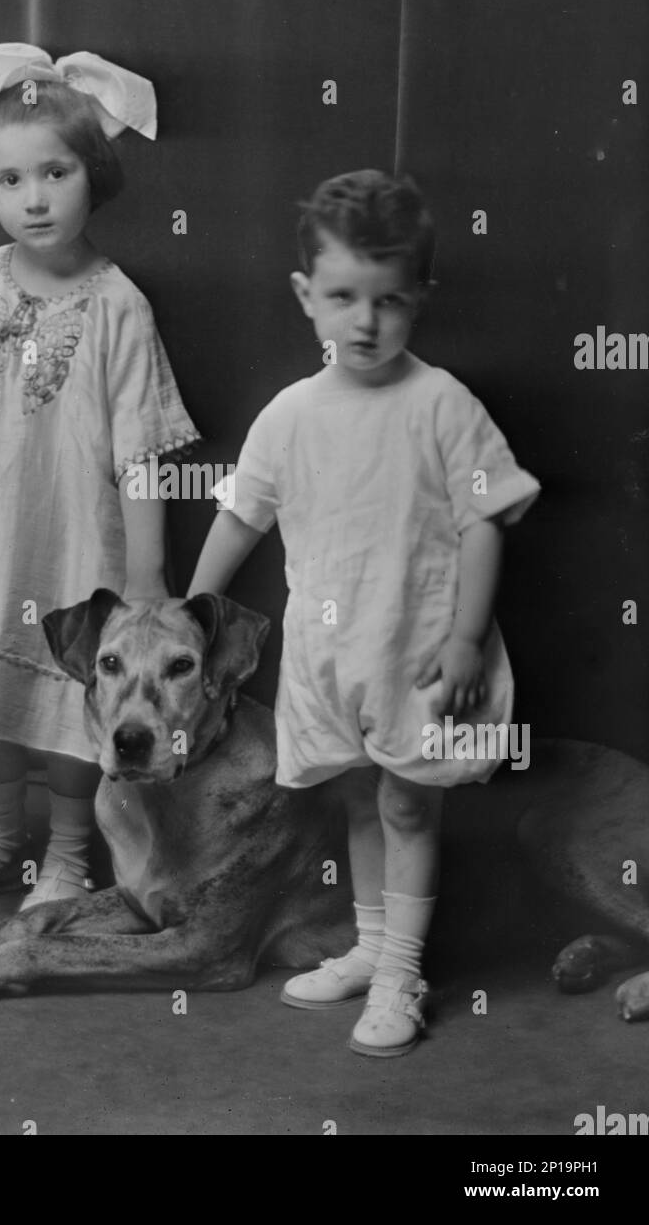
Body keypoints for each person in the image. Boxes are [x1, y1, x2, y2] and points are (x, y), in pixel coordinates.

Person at [187, 170, 539, 1056]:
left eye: (388, 300)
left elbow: (485, 517)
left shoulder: (441, 404)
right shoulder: (291, 414)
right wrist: (192, 613)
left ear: (419, 296)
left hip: (419, 653)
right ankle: (372, 946)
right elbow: (242, 515)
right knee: (357, 799)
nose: (367, 321)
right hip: (331, 656)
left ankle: (400, 973)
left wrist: (465, 637)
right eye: (344, 297)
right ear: (308, 297)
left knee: (412, 807)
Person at [0, 43, 199, 913]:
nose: (33, 198)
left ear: (93, 171)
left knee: (70, 710)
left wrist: (145, 581)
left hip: (77, 545)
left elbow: (143, 452)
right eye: (9, 180)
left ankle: (65, 856)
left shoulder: (118, 307)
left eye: (55, 173)